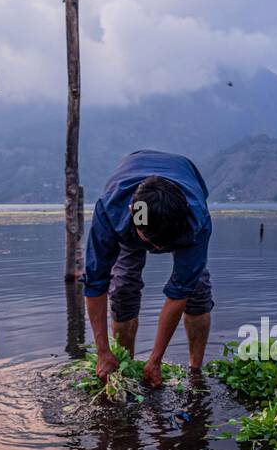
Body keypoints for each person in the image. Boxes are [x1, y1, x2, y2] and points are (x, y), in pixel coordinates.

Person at [81, 150, 213, 388]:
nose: (159, 248)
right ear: (134, 214)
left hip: (178, 218)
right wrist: (102, 350)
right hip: (131, 223)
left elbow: (179, 291)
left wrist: (156, 358)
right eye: (152, 241)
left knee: (197, 290)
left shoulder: (196, 220)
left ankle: (196, 372)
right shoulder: (111, 212)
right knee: (122, 288)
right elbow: (94, 284)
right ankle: (123, 367)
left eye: (164, 243)